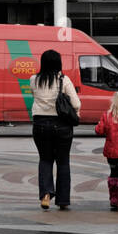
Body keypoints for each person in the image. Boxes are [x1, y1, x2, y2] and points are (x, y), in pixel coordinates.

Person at [31, 49, 81, 211]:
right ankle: (63, 200)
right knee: (63, 161)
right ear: (58, 63)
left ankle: (45, 194)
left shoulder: (34, 80)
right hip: (61, 125)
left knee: (45, 159)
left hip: (39, 124)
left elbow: (35, 96)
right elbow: (76, 104)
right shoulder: (64, 80)